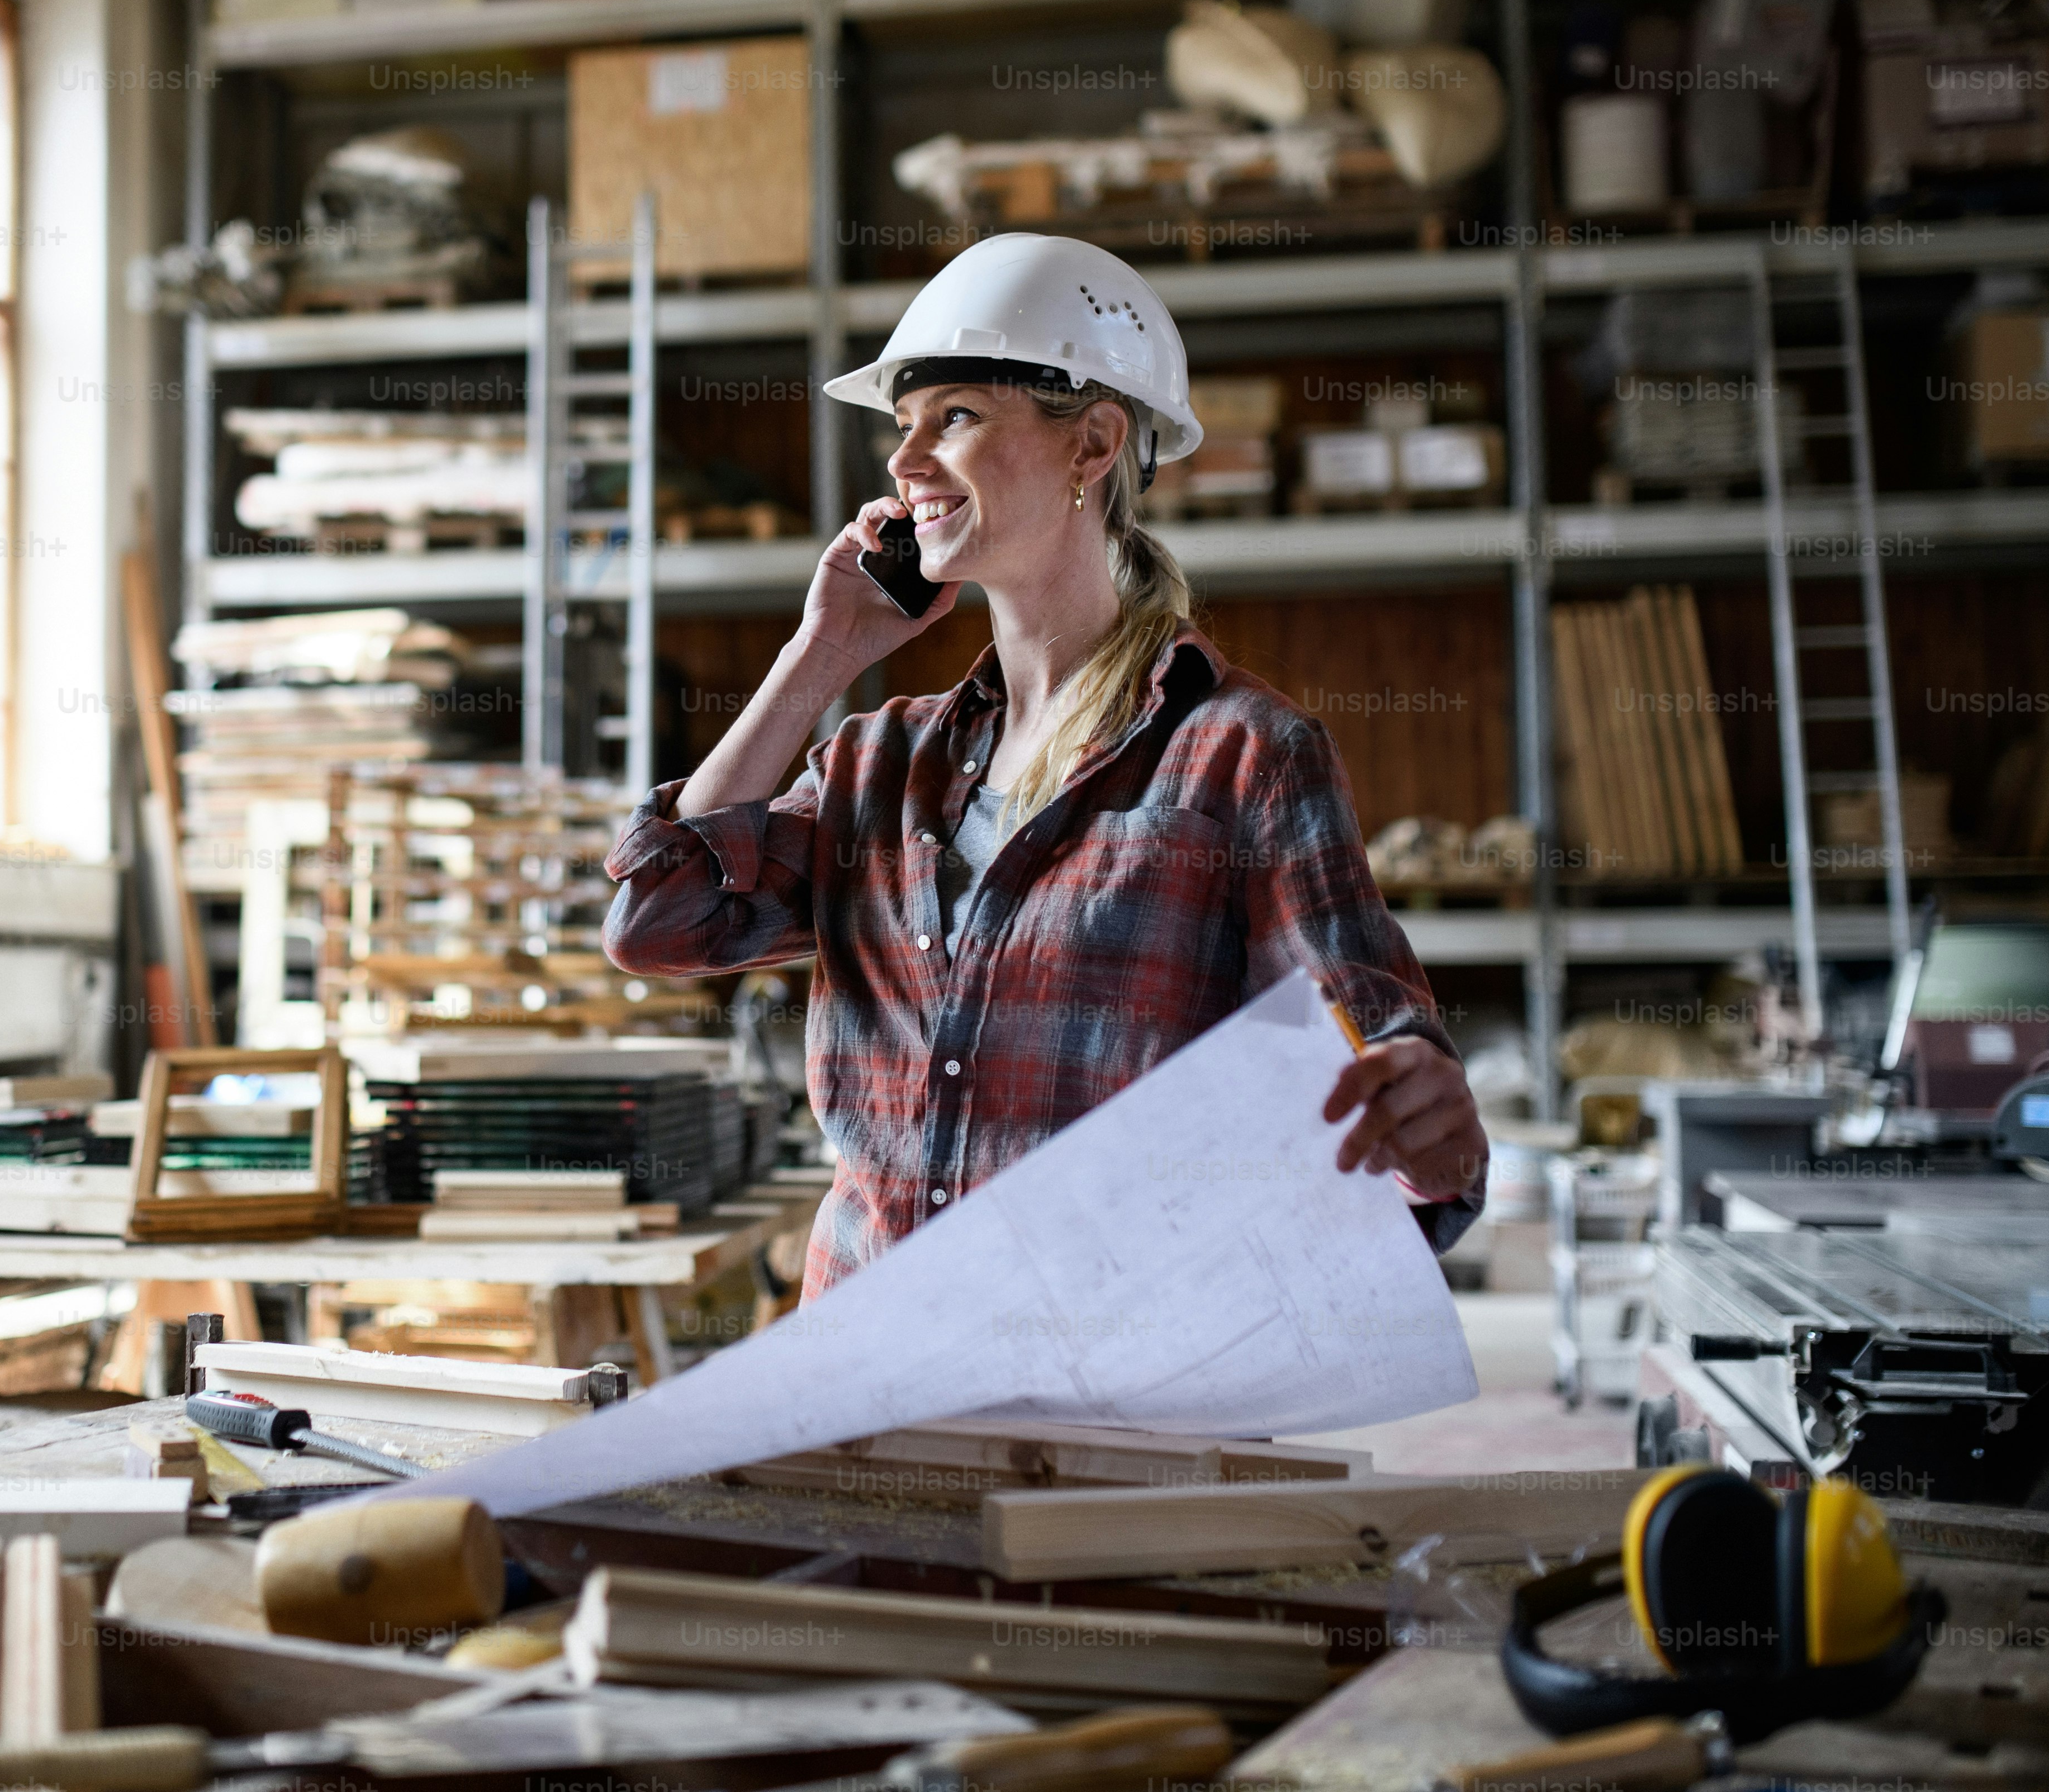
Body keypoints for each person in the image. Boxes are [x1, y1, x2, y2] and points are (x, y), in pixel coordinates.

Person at [601, 233, 1488, 1296]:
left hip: (1115, 1399)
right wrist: (819, 656)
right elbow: (658, 922)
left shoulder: (1238, 758)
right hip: (867, 1379)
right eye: (903, 425)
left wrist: (1424, 1112)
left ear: (1095, 443)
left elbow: (1375, 1049)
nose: (903, 459)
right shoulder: (878, 765)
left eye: (957, 417)